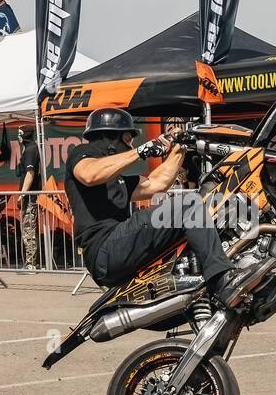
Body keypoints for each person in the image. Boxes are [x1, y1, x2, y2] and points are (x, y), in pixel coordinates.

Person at [65, 108, 238, 303]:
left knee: (191, 213)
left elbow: (158, 183)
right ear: (114, 138)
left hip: (118, 250)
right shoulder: (81, 153)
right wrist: (141, 151)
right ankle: (222, 278)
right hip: (105, 250)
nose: (131, 144)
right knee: (187, 204)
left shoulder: (119, 181)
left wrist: (179, 146)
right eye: (129, 138)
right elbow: (90, 174)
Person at [16, 125, 41, 270]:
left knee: (28, 229)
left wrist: (23, 194)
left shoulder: (31, 150)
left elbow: (30, 173)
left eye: (19, 134)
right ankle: (30, 262)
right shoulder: (30, 149)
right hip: (29, 196)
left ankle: (31, 263)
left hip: (30, 197)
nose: (18, 137)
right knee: (28, 229)